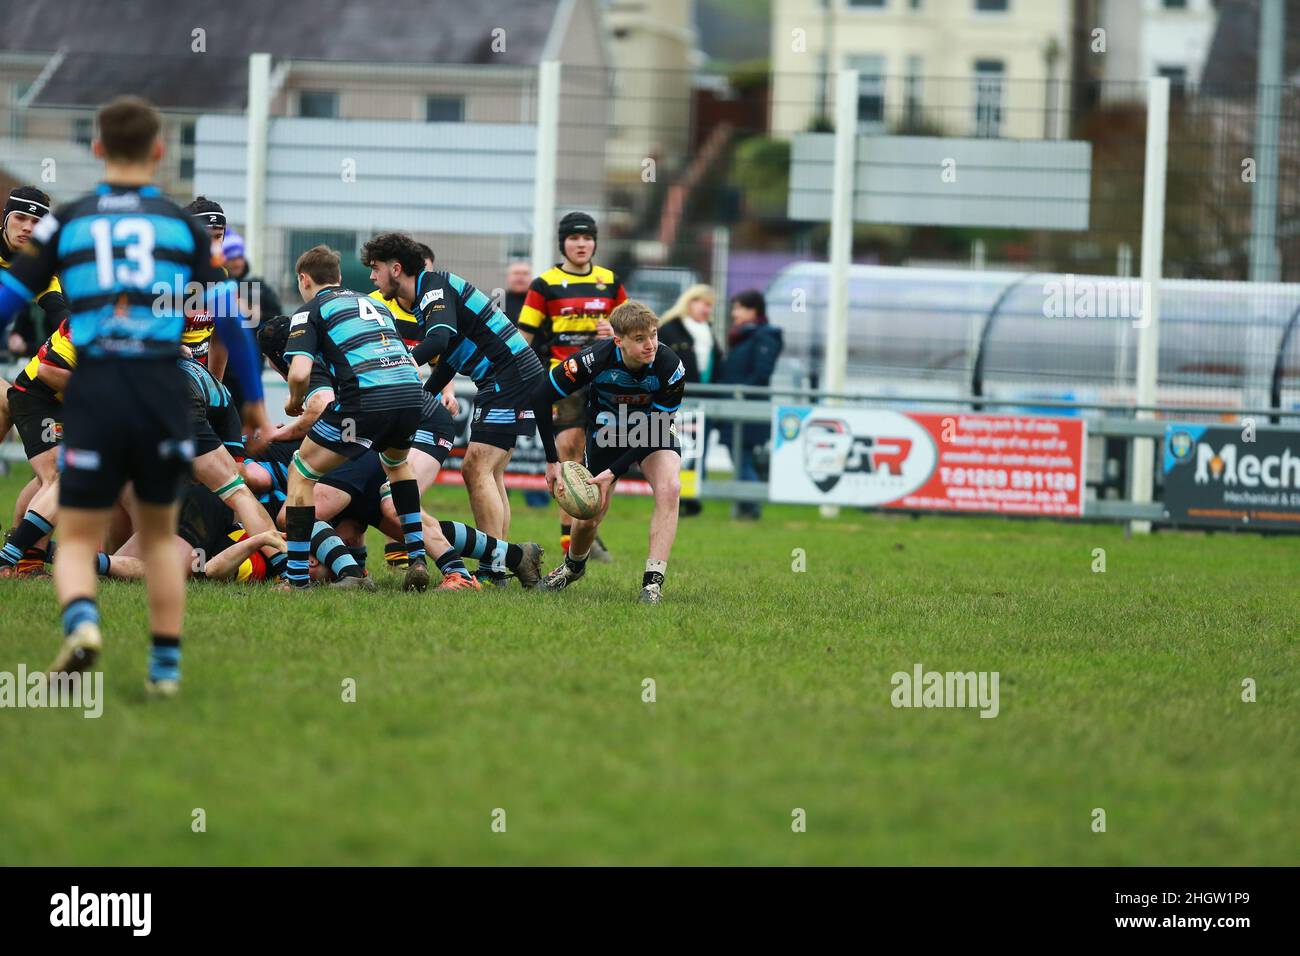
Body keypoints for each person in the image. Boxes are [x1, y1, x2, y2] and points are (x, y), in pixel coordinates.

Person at [0, 95, 268, 695]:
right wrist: (250, 400)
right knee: (155, 534)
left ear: (97, 149)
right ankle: (165, 670)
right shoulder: (183, 227)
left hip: (96, 391)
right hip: (163, 393)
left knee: (73, 533)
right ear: (158, 151)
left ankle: (83, 622)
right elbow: (229, 317)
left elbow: (9, 298)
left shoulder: (66, 219)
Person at [360, 231, 559, 588]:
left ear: (396, 267)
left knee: (475, 468)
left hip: (508, 378)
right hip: (507, 379)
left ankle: (494, 566)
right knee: (491, 473)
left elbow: (437, 342)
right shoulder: (429, 293)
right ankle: (502, 562)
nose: (372, 277)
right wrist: (423, 395)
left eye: (375, 269)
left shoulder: (432, 287)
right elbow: (450, 353)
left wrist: (395, 364)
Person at [280, 244, 429, 592]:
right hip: (410, 392)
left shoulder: (309, 310)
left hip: (368, 398)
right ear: (339, 277)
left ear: (304, 279)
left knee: (301, 471)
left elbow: (300, 372)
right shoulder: (376, 302)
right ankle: (418, 558)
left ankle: (296, 580)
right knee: (396, 464)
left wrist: (293, 402)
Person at [539, 300, 685, 605]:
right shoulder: (593, 359)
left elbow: (657, 428)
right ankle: (573, 567)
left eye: (654, 335)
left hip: (651, 432)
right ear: (618, 341)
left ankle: (652, 583)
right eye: (640, 339)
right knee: (590, 514)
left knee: (670, 487)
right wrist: (553, 461)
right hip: (607, 434)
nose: (651, 345)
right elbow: (540, 397)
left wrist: (613, 473)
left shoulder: (670, 366)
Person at [517, 212, 626, 561]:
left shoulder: (609, 282)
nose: (581, 244)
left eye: (588, 238)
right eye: (574, 238)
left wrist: (615, 333)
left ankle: (587, 530)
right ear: (563, 242)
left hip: (606, 382)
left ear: (595, 242)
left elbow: (633, 329)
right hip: (562, 380)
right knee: (569, 450)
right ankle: (571, 540)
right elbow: (524, 337)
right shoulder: (544, 284)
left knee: (600, 457)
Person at [719, 289, 783, 520]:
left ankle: (752, 506)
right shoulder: (744, 336)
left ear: (752, 310)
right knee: (740, 456)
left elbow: (761, 372)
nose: (734, 313)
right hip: (735, 408)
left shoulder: (765, 336)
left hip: (747, 409)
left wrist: (739, 395)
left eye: (738, 308)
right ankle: (747, 506)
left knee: (742, 457)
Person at [658, 284, 720, 518]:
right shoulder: (669, 329)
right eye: (703, 303)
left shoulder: (708, 331)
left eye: (710, 305)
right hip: (677, 401)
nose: (707, 309)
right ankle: (675, 495)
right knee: (676, 449)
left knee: (698, 450)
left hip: (704, 401)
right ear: (690, 302)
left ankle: (692, 496)